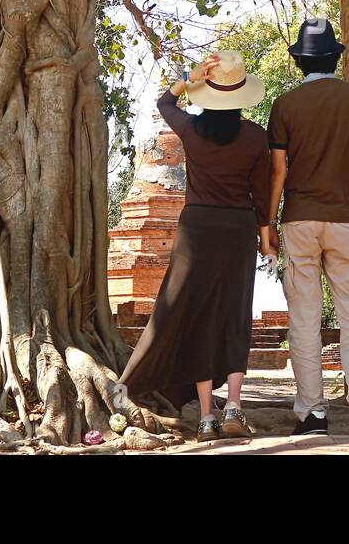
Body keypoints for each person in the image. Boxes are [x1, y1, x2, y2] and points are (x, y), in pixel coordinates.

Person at [119, 51, 274, 442]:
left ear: (209, 94)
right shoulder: (257, 137)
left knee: (201, 317)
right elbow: (262, 193)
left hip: (197, 228)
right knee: (236, 313)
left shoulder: (190, 130)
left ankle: (207, 417)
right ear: (240, 96)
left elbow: (164, 102)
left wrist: (188, 78)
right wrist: (266, 233)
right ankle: (235, 408)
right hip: (238, 228)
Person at [264, 18, 349, 437]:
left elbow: (277, 171)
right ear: (336, 57)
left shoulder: (284, 105)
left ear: (300, 63)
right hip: (347, 218)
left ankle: (313, 413)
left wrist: (268, 220)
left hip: (299, 219)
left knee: (304, 317)